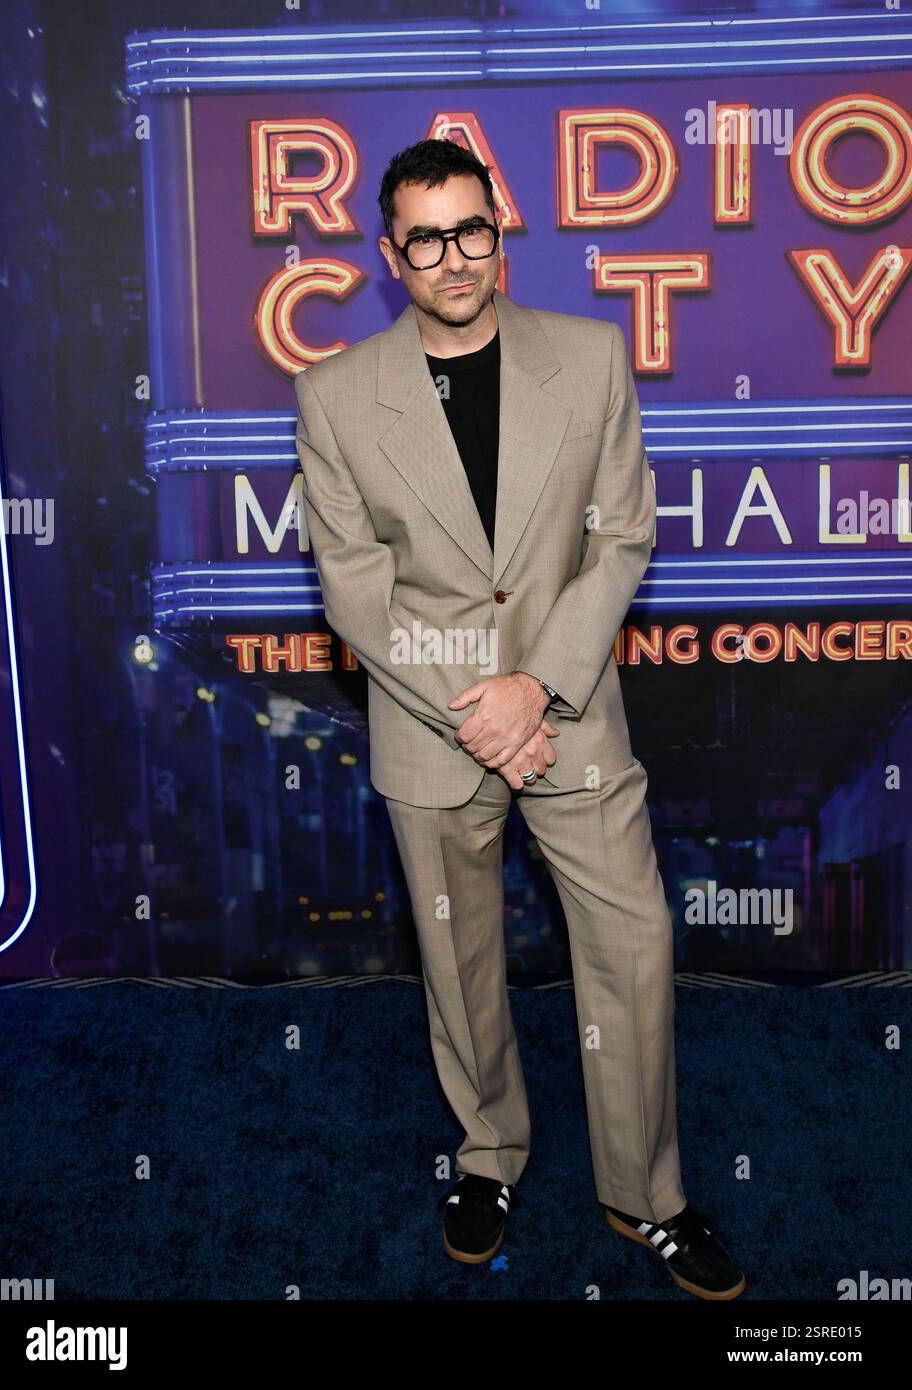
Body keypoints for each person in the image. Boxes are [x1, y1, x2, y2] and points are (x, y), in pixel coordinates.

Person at [294, 138, 745, 1300]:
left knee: (634, 946)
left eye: (472, 228)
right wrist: (480, 708)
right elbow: (355, 591)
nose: (454, 256)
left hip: (572, 713)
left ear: (504, 227)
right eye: (427, 238)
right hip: (431, 723)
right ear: (392, 255)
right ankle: (489, 1155)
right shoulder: (337, 396)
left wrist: (534, 687)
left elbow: (623, 539)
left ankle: (648, 1194)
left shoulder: (592, 360)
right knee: (459, 963)